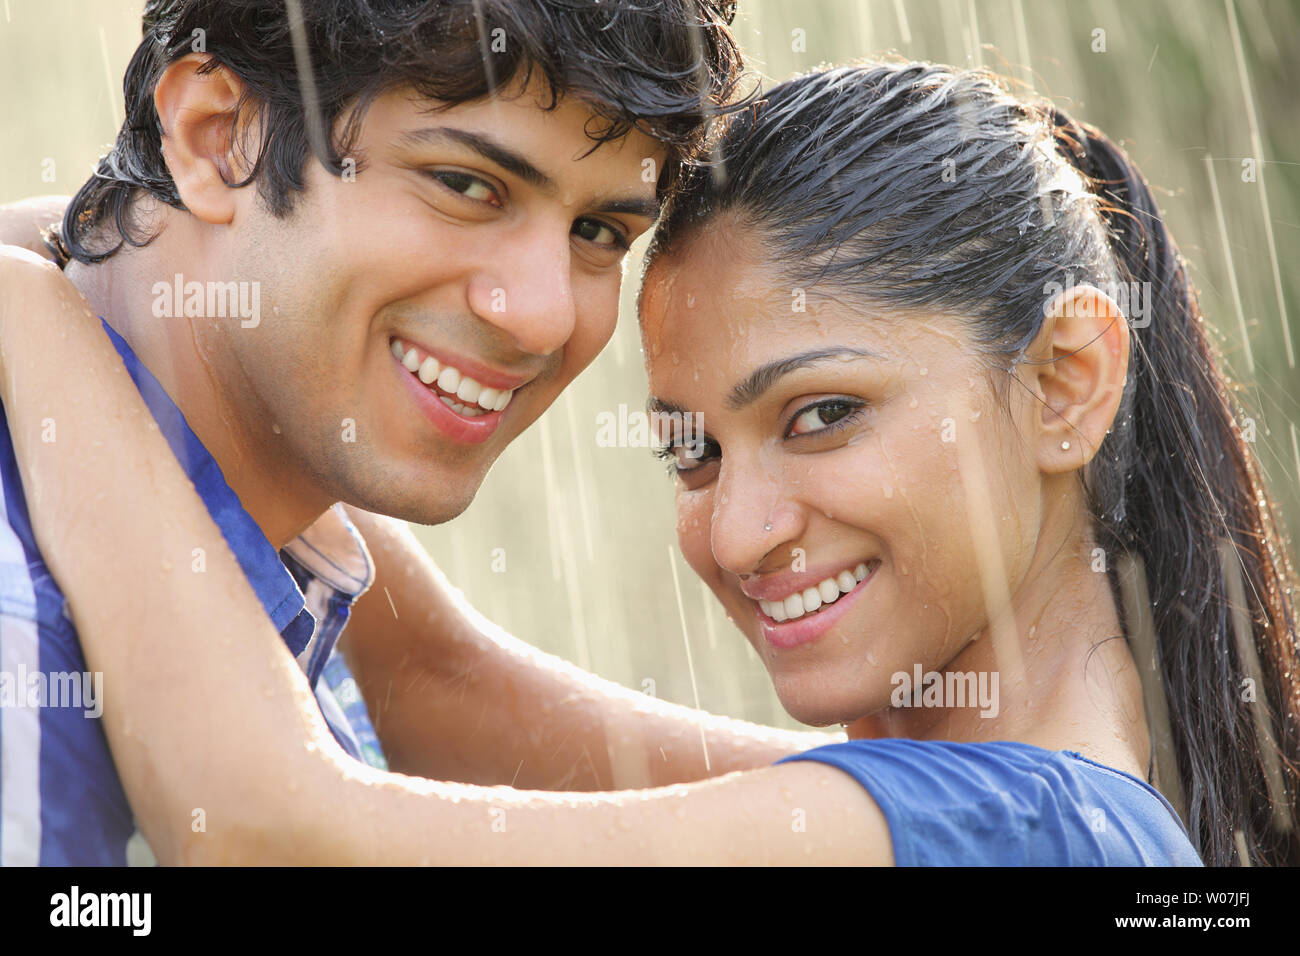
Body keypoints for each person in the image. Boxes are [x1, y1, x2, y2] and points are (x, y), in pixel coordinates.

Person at [11, 59, 1291, 865]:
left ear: (1066, 379)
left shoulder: (1018, 830)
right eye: (688, 450)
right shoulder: (1045, 808)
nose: (736, 536)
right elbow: (438, 676)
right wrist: (131, 269)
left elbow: (265, 828)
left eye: (821, 413)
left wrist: (28, 310)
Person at [0, 0, 840, 867]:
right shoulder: (23, 663)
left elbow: (443, 683)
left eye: (598, 233)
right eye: (468, 185)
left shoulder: (245, 475)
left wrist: (929, 795)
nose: (543, 317)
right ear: (221, 139)